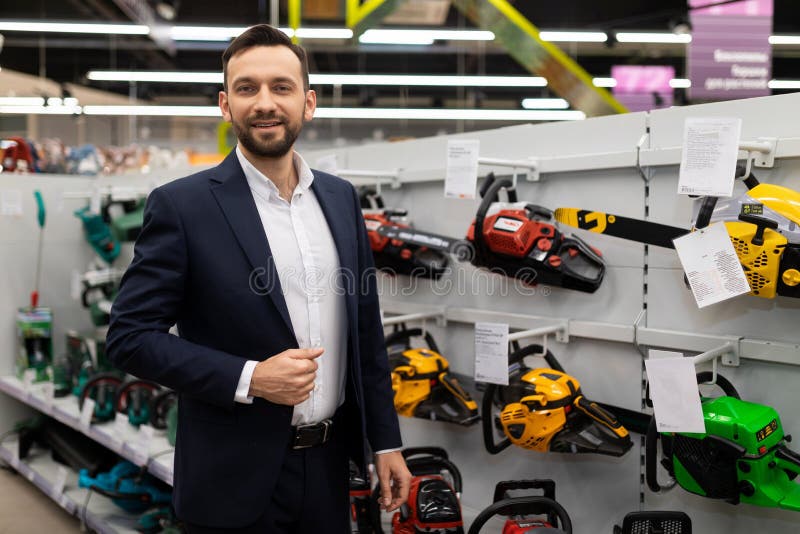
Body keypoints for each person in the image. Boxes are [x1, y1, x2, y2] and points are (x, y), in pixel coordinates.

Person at [106, 24, 411, 533]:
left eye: (281, 87)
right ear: (225, 105)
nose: (265, 103)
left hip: (330, 471)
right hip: (231, 479)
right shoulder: (183, 206)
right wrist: (251, 378)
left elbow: (365, 334)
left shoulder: (340, 199)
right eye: (247, 88)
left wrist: (385, 442)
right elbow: (129, 337)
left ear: (308, 103)